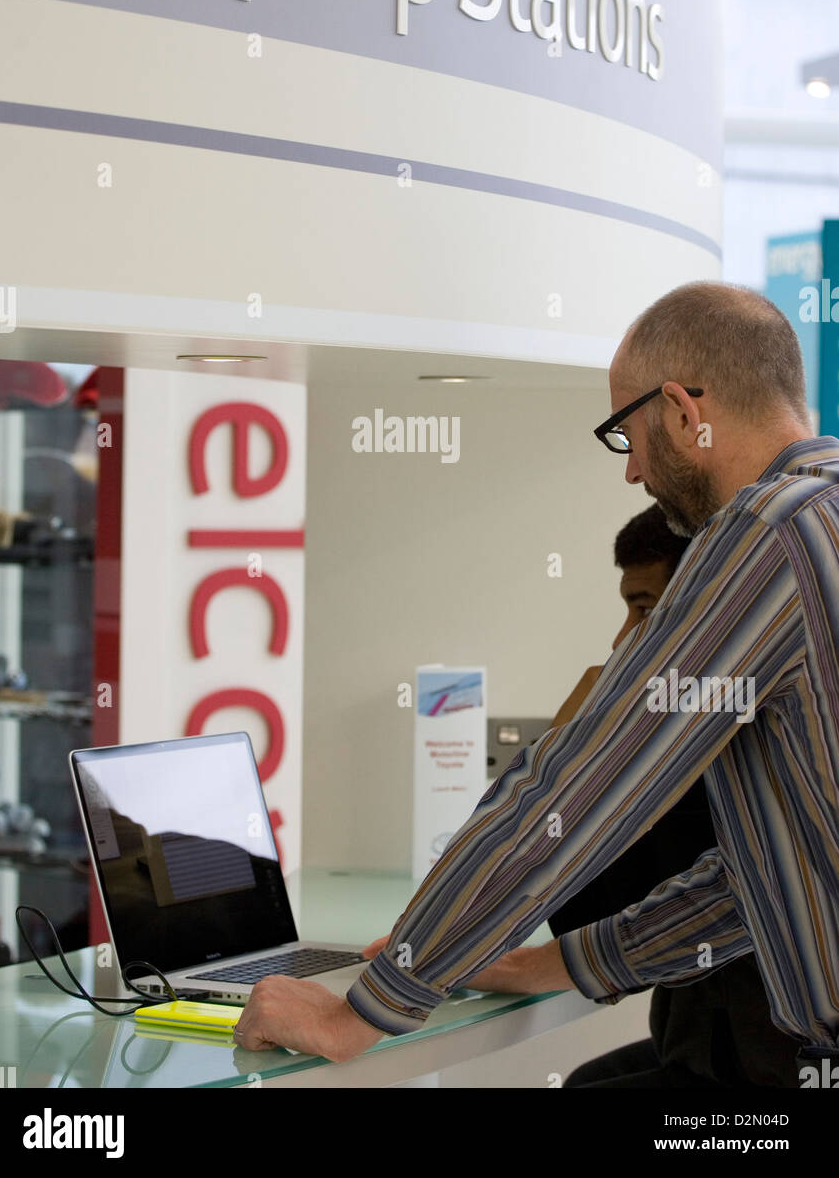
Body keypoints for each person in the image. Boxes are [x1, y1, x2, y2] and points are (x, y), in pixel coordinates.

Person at [232, 282, 839, 1083]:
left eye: (629, 435)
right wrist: (544, 964)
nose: (634, 475)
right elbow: (771, 878)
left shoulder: (765, 535)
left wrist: (363, 1008)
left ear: (684, 409)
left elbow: (574, 792)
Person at [547, 504, 798, 1088]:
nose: (622, 640)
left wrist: (570, 749)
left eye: (644, 609)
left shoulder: (724, 764)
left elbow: (587, 920)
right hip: (711, 1047)